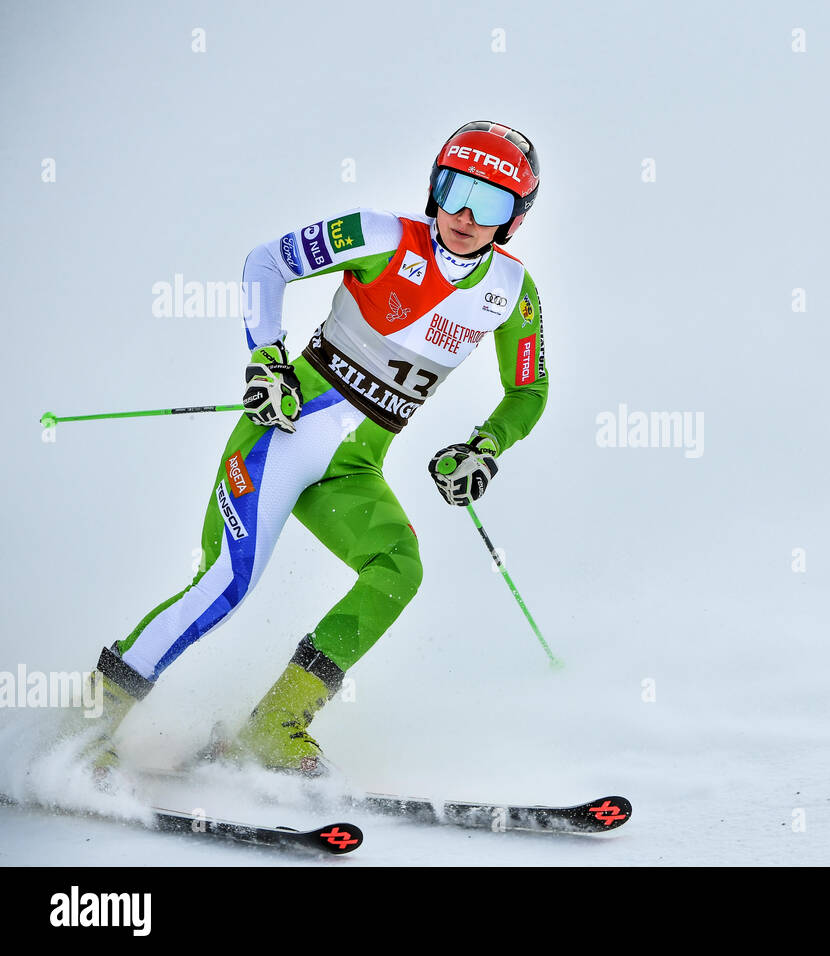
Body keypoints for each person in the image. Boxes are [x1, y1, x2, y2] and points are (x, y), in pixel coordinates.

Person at [71, 121, 548, 778]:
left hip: (351, 469)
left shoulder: (511, 293)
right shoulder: (381, 234)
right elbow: (267, 261)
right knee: (225, 583)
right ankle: (86, 725)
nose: (465, 213)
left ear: (513, 220)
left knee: (397, 569)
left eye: (489, 201)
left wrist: (485, 448)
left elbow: (528, 389)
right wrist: (267, 359)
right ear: (434, 185)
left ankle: (274, 725)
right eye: (454, 187)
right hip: (282, 435)